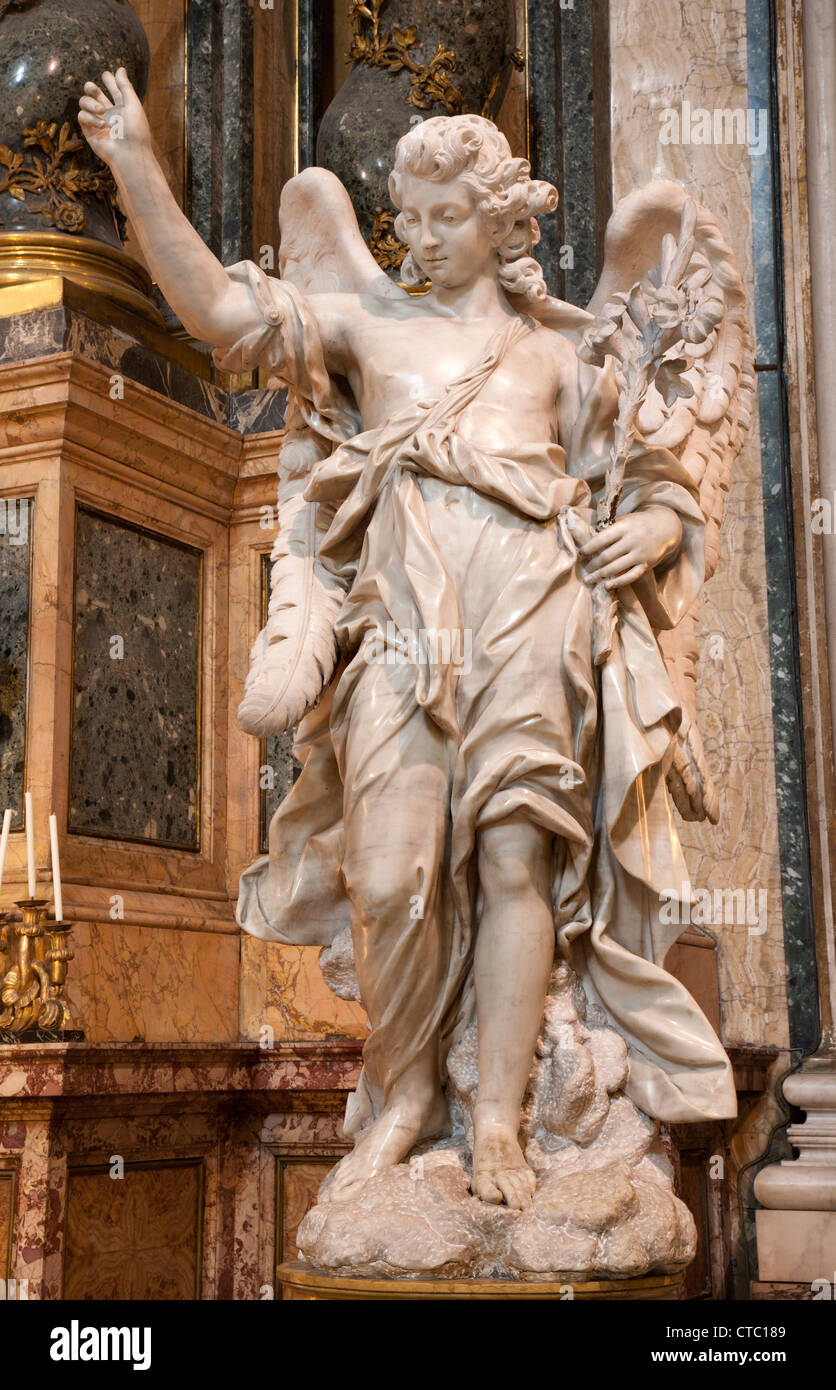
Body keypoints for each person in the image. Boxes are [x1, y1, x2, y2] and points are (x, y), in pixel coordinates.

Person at [79, 70, 736, 1210]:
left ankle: (493, 1123)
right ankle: (409, 1088)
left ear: (500, 222)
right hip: (403, 623)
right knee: (388, 874)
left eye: (444, 219)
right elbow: (226, 319)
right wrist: (138, 164)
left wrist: (652, 523)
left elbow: (657, 472)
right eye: (406, 218)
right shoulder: (363, 321)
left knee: (515, 857)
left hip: (532, 605)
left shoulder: (563, 348)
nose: (417, 238)